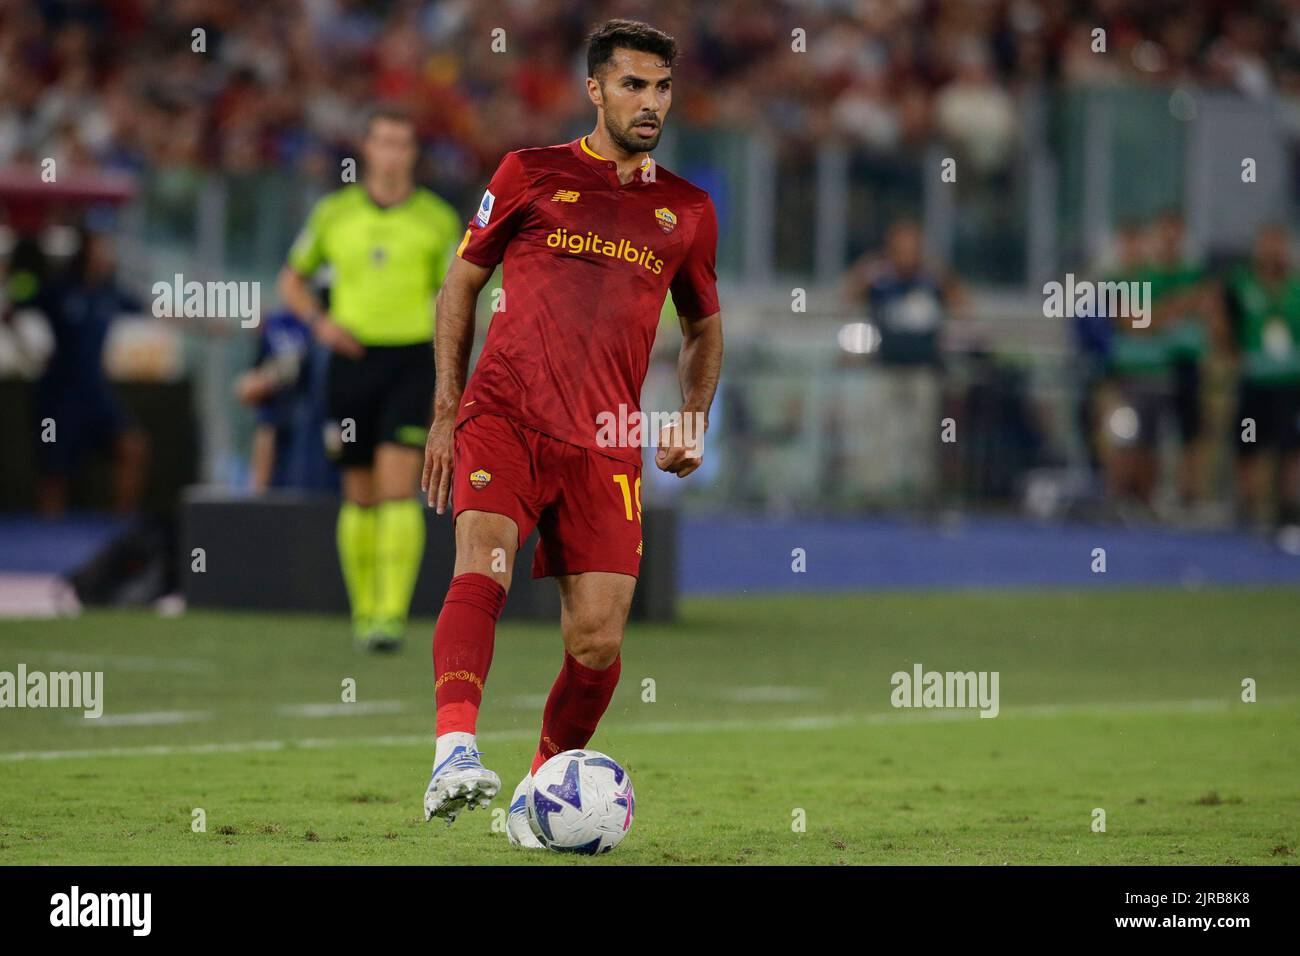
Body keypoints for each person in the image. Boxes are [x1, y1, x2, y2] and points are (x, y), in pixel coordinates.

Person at [419, 19, 723, 849]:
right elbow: (460, 286)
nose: (650, 102)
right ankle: (453, 752)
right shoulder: (530, 173)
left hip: (607, 441)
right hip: (505, 414)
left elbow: (703, 326)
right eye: (633, 85)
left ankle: (535, 797)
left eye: (662, 87)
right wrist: (447, 410)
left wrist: (692, 417)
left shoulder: (687, 211)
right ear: (595, 89)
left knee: (598, 639)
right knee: (483, 562)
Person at [278, 107, 463, 652]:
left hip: (409, 361)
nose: (392, 153)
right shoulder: (335, 214)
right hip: (350, 363)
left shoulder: (435, 219)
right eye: (383, 142)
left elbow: (455, 294)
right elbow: (291, 279)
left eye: (402, 144)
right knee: (357, 493)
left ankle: (390, 616)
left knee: (396, 486)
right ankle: (364, 613)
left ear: (411, 154)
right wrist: (319, 323)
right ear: (367, 148)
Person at [31, 227, 149, 516]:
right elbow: (16, 306)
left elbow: (156, 309)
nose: (105, 256)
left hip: (95, 392)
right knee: (54, 471)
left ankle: (121, 525)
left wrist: (208, 320)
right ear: (85, 252)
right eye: (100, 249)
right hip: (58, 395)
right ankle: (45, 541)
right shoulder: (59, 290)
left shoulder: (111, 294)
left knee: (132, 447)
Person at [1223, 223, 1300, 529]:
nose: (1272, 250)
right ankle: (1247, 510)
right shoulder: (1241, 285)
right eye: (1267, 243)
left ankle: (1290, 512)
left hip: (1290, 383)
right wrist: (1233, 358)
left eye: (1277, 243)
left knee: (1292, 448)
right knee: (1248, 445)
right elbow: (1224, 323)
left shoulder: (1295, 287)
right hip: (1255, 382)